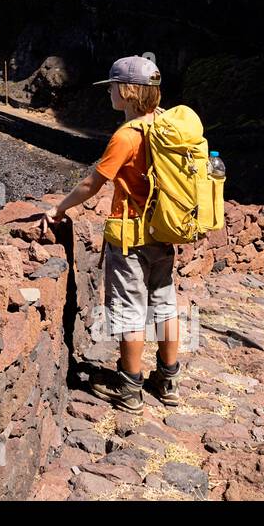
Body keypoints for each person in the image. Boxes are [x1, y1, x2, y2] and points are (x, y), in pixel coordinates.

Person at [44, 56, 181, 413]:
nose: (109, 95)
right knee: (164, 306)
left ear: (126, 90)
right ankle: (168, 382)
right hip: (165, 231)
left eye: (112, 88)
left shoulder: (127, 135)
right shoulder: (167, 124)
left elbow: (92, 183)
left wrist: (58, 209)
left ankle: (129, 389)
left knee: (130, 311)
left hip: (131, 237)